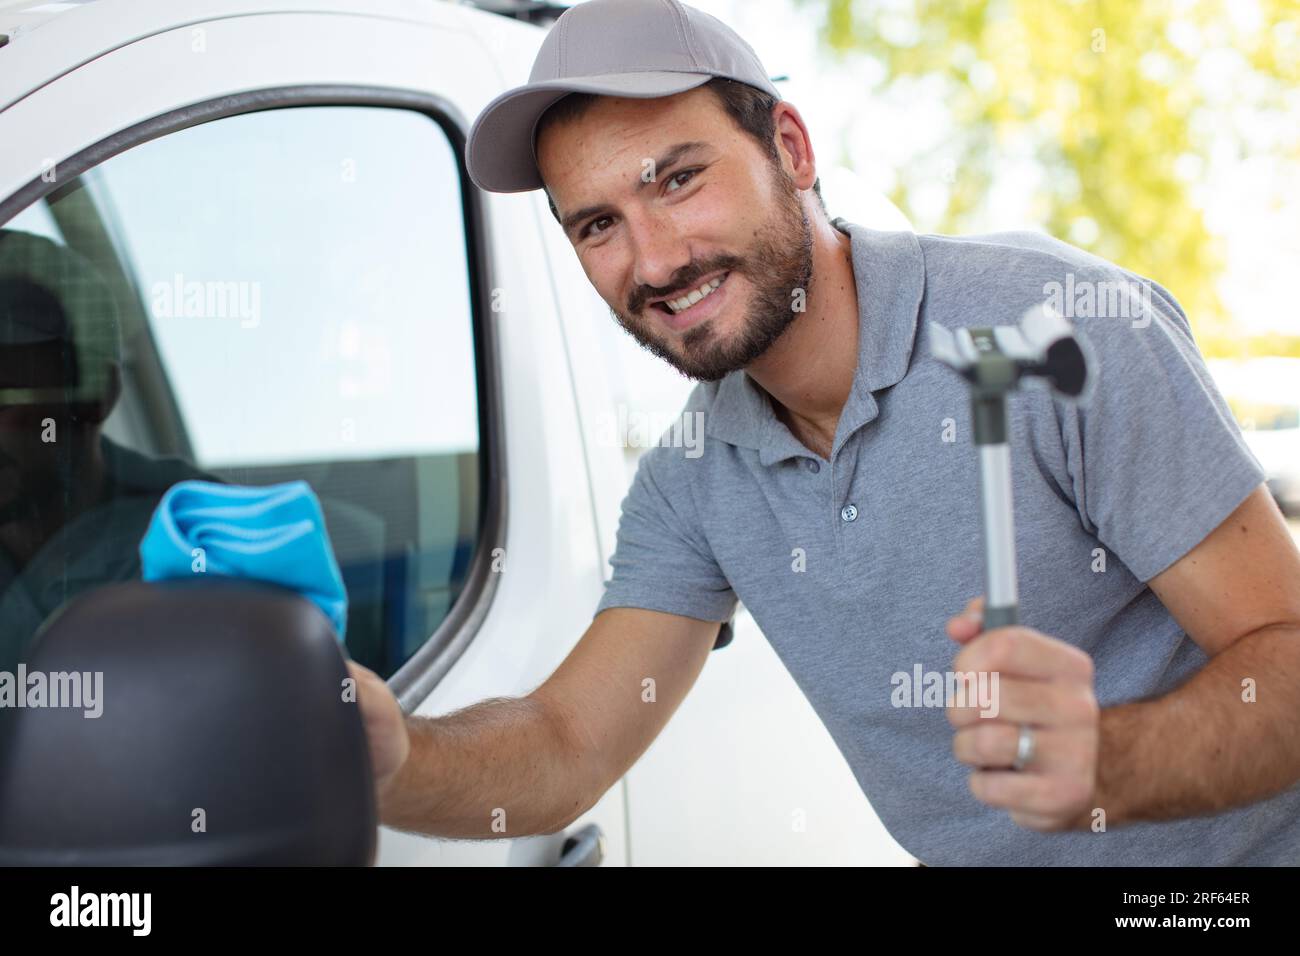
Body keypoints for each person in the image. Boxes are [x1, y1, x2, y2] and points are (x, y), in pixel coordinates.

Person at [346, 0, 1300, 864]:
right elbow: (565, 748)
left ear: (792, 150)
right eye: (598, 225)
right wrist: (390, 755)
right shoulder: (696, 476)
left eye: (678, 180)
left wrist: (1107, 762)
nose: (656, 260)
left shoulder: (1053, 321)